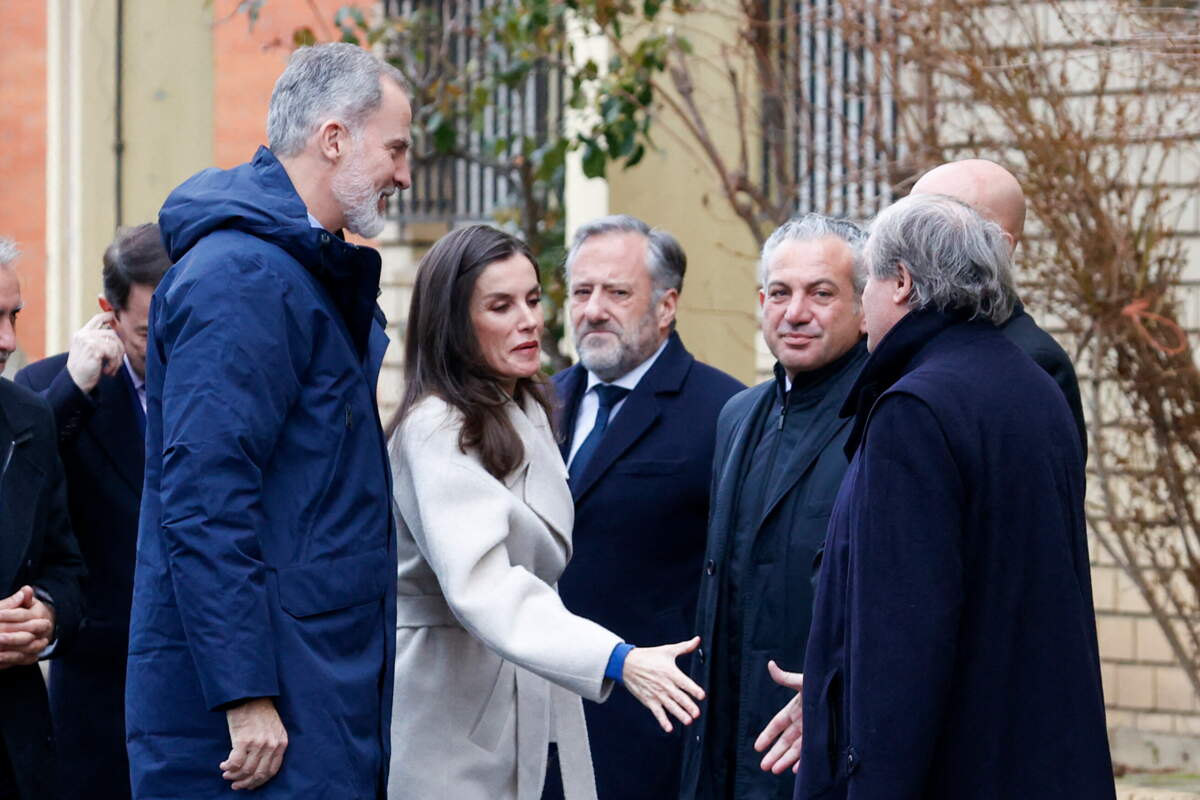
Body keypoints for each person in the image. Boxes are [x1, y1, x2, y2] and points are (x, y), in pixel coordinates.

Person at [125, 42, 410, 798]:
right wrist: (244, 694)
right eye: (397, 148)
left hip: (308, 682)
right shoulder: (242, 278)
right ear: (335, 139)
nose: (404, 174)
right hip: (265, 713)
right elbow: (206, 499)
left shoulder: (290, 272)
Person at [759, 194, 1114, 799]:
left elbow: (901, 642)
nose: (862, 302)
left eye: (865, 279)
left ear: (900, 283)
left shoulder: (914, 410)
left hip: (956, 766)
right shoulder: (1029, 382)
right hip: (1038, 754)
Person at [387, 224, 707, 800]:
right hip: (450, 700)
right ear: (454, 321)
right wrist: (616, 658)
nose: (530, 320)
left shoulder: (525, 407)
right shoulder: (435, 425)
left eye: (533, 300)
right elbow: (485, 584)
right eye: (501, 305)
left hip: (523, 694)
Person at [546, 215, 743, 800]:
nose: (594, 310)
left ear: (666, 305)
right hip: (542, 720)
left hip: (653, 730)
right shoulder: (539, 405)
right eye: (582, 292)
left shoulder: (725, 412)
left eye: (617, 292)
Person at [679, 215, 869, 800]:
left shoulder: (884, 417)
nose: (796, 312)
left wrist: (841, 693)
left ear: (866, 307)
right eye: (780, 294)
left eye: (821, 293)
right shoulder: (738, 416)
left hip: (825, 743)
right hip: (723, 739)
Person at [15, 223, 170, 800]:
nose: (167, 348)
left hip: (201, 668)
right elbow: (19, 491)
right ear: (108, 312)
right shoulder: (46, 386)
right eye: (149, 332)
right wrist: (73, 391)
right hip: (98, 677)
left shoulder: (216, 378)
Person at [910, 158, 1087, 453]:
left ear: (999, 247)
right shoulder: (898, 339)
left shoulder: (1030, 361)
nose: (905, 242)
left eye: (933, 228)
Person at [0, 238, 86, 800]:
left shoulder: (28, 418)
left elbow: (66, 569)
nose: (9, 340)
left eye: (14, 315)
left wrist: (46, 618)